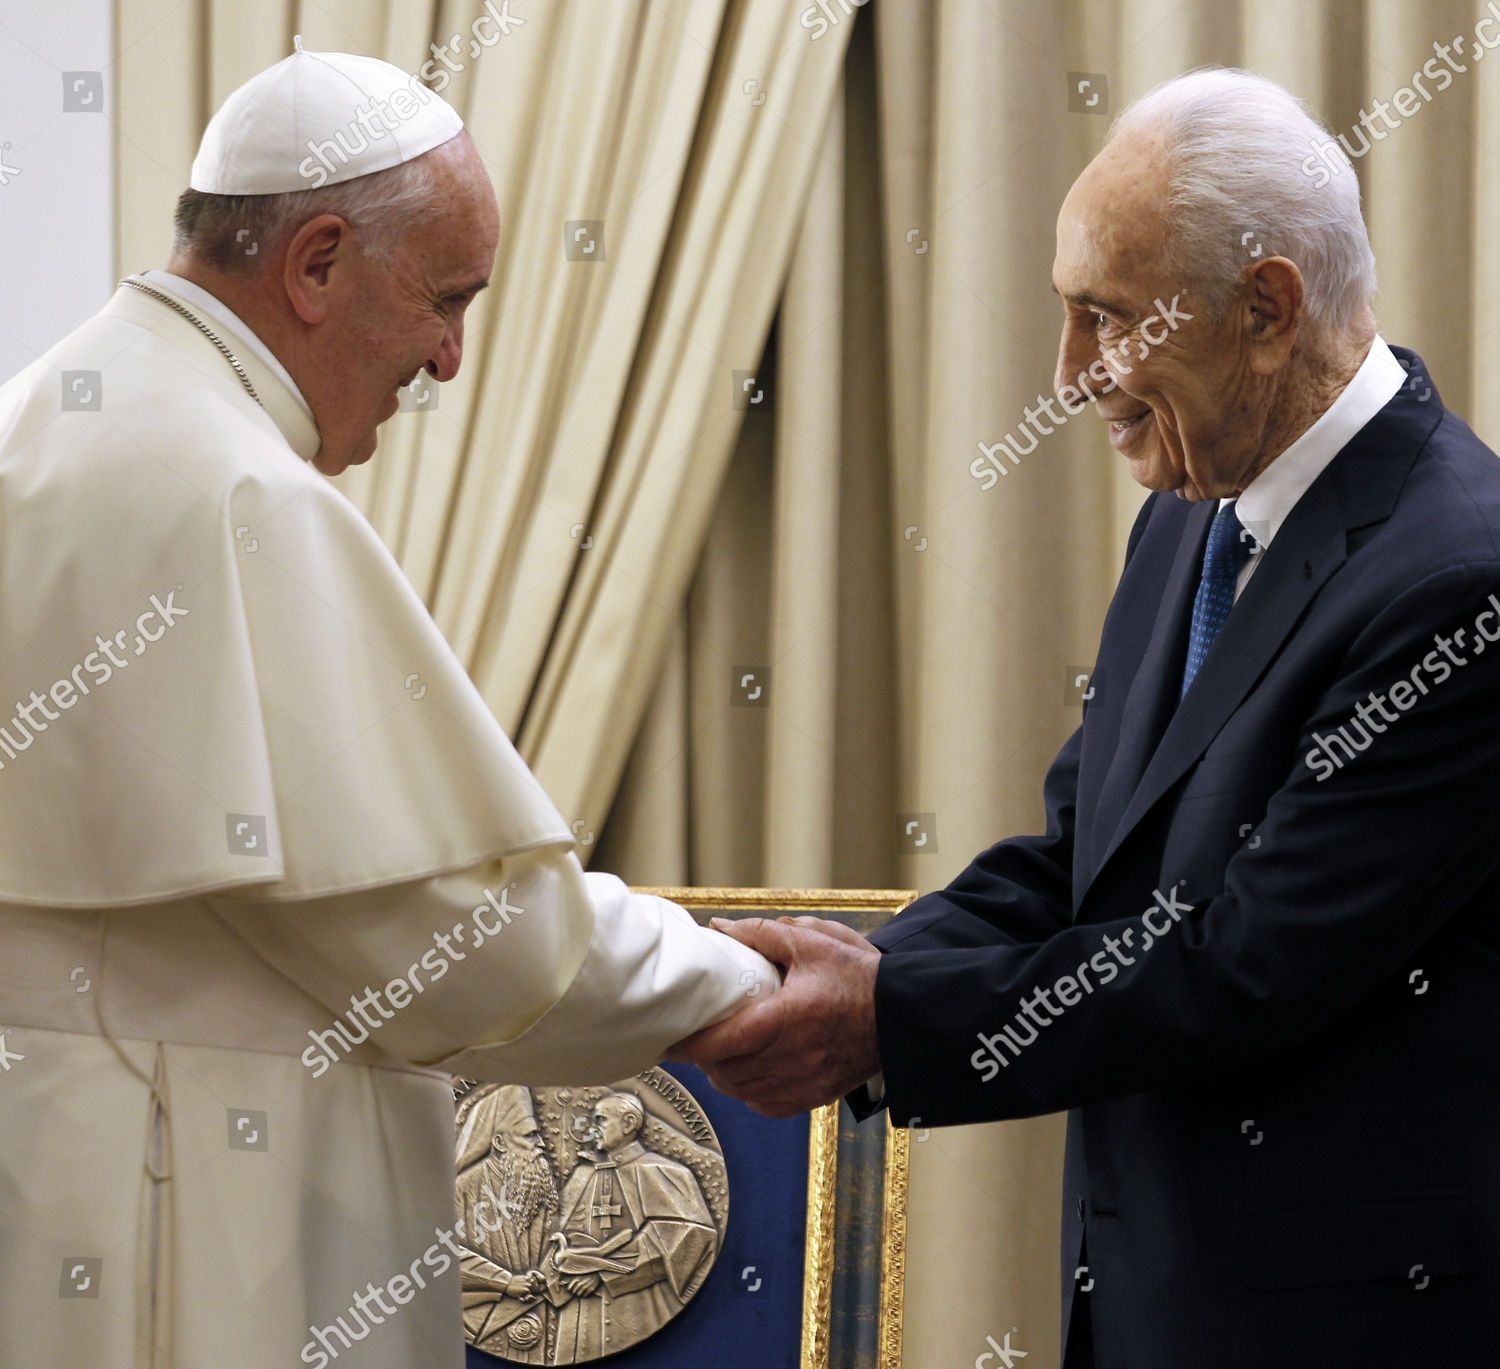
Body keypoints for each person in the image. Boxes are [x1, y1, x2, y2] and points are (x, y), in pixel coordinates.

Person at [675, 68, 1500, 1367]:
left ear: (1267, 312)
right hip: (1148, 1310)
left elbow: (1242, 964)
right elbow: (1081, 864)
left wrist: (887, 1022)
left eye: (1101, 320)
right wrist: (827, 970)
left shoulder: (1460, 577)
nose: (1066, 377)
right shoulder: (1190, 515)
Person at [0, 42, 776, 1369]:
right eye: (444, 301)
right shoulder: (235, 492)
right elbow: (458, 938)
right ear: (314, 262)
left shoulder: (38, 421)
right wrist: (733, 971)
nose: (449, 360)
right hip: (181, 1200)